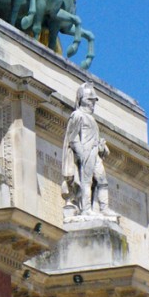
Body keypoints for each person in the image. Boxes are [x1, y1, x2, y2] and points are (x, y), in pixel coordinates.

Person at [61, 82, 112, 218]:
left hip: (95, 153)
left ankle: (104, 209)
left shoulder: (91, 119)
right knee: (86, 181)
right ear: (82, 100)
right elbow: (72, 138)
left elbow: (94, 138)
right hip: (86, 153)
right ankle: (86, 209)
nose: (92, 103)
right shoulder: (77, 115)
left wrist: (102, 148)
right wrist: (82, 153)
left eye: (93, 100)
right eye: (90, 100)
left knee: (102, 181)